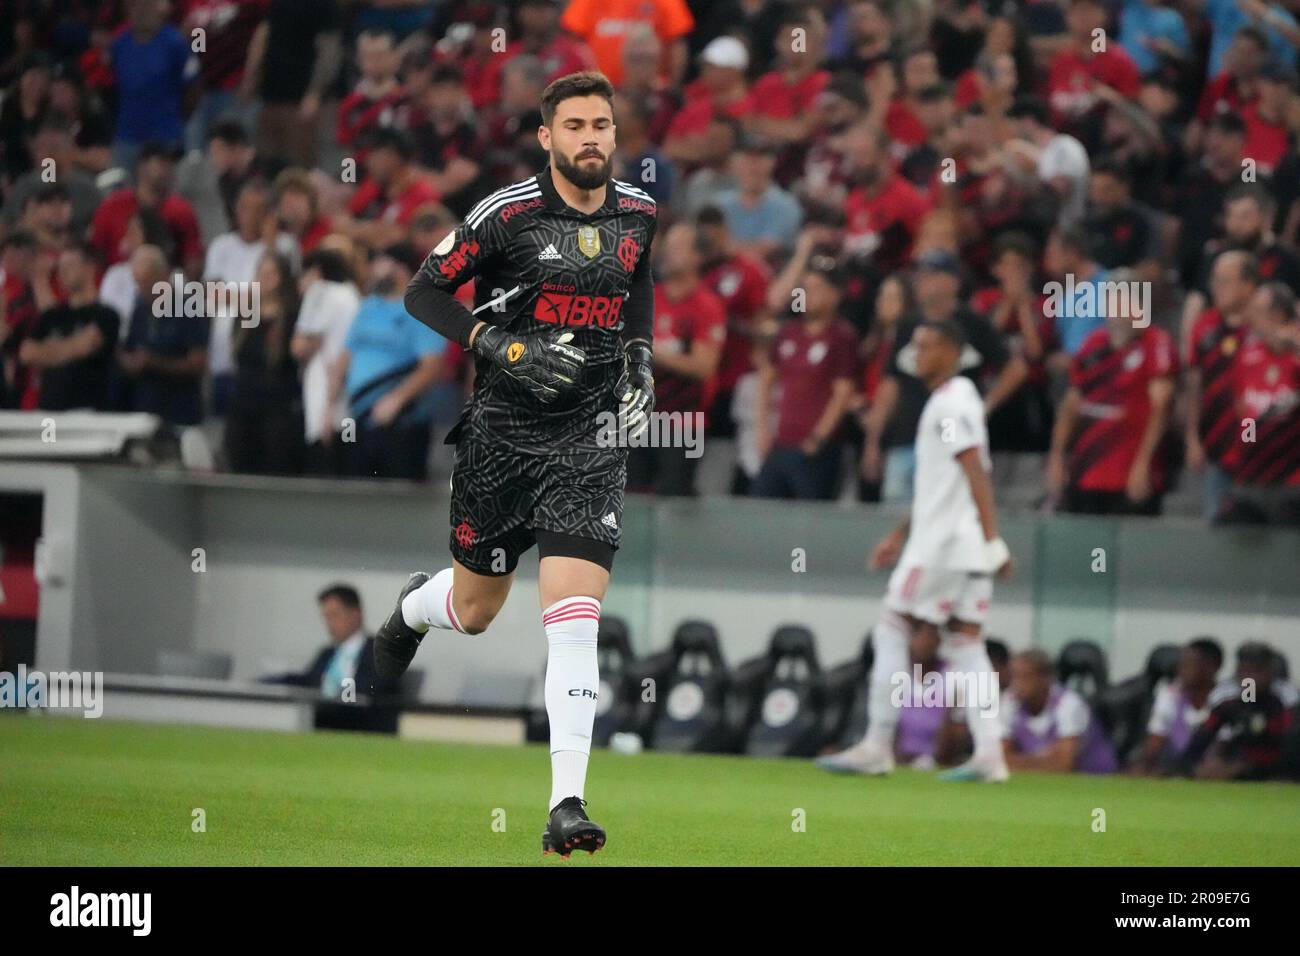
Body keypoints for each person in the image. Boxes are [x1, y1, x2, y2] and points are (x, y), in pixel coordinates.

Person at [393, 72, 658, 857]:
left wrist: (640, 358)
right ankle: (416, 607)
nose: (591, 138)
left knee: (575, 620)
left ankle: (565, 802)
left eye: (602, 125)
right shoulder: (505, 215)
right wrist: (501, 345)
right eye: (574, 125)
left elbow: (638, 282)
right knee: (476, 612)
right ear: (546, 138)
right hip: (500, 439)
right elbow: (423, 292)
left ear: (615, 134)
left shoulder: (639, 213)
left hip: (589, 439)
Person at [816, 320, 1012, 783]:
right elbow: (949, 483)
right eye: (916, 345)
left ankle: (878, 744)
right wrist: (901, 533)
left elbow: (973, 470)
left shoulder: (951, 403)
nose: (917, 354)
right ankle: (990, 754)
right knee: (966, 644)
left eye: (927, 346)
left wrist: (994, 540)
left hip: (942, 547)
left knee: (891, 629)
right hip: (953, 543)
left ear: (954, 350)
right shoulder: (954, 401)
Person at [20, 243, 119, 411]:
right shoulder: (51, 316)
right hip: (48, 411)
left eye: (70, 265)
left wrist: (46, 351)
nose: (63, 272)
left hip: (88, 411)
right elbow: (27, 354)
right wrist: (70, 347)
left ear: (89, 267)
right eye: (60, 267)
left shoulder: (106, 315)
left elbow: (86, 346)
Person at [1001, 648, 1120, 773]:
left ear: (1045, 679)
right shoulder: (1009, 701)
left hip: (1094, 778)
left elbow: (1064, 764)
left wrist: (1017, 761)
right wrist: (1046, 759)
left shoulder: (1069, 704)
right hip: (1044, 781)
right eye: (1014, 677)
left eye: (1025, 677)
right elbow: (999, 759)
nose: (1017, 684)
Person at [1132, 637, 1224, 775]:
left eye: (1188, 663)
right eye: (1181, 663)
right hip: (1176, 767)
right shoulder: (1170, 695)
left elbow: (1224, 749)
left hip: (1213, 769)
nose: (1180, 669)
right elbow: (1154, 742)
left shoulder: (1226, 699)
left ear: (1210, 666)